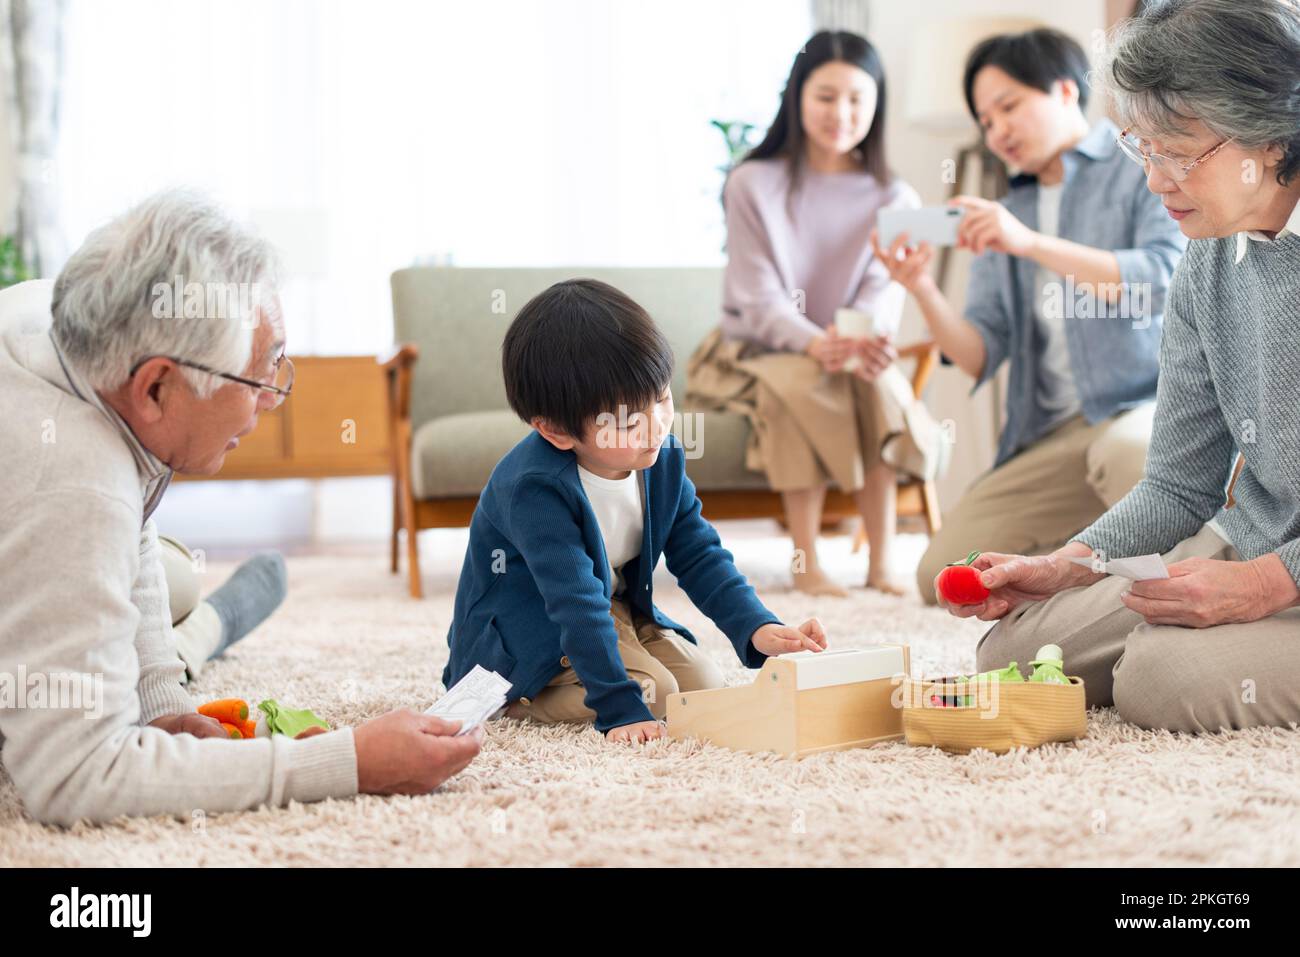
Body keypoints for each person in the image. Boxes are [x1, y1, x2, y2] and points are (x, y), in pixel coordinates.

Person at [0, 191, 481, 825]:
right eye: (259, 380)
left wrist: (161, 703)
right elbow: (78, 776)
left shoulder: (60, 321)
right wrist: (352, 762)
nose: (271, 400)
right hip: (48, 528)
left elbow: (132, 521)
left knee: (165, 578)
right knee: (136, 589)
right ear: (155, 387)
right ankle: (207, 630)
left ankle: (190, 636)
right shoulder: (71, 487)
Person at [941, 0, 1300, 734]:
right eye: (1144, 149)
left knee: (1160, 678)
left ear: (1268, 136)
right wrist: (1069, 564)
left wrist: (1267, 584)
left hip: (1278, 567)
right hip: (1250, 541)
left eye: (1178, 153)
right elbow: (1177, 483)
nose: (1154, 181)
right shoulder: (1208, 257)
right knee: (1014, 650)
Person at [870, 28, 1186, 603]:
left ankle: (1138, 569)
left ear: (1066, 91)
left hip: (1139, 407)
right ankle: (1089, 553)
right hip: (1049, 436)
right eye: (986, 122)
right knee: (942, 577)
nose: (998, 132)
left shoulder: (1137, 162)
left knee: (1127, 455)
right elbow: (977, 353)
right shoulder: (1007, 209)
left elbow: (1160, 278)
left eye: (1009, 107)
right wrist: (920, 287)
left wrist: (1029, 242)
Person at [443, 279, 828, 743]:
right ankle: (516, 699)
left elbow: (700, 554)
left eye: (663, 398)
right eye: (627, 421)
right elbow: (575, 604)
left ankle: (624, 676)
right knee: (651, 696)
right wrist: (619, 710)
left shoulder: (660, 456)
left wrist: (757, 625)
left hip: (614, 609)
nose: (656, 427)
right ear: (556, 431)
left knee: (705, 689)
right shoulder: (534, 488)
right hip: (530, 637)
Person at [687, 30, 932, 598]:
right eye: (826, 96)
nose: (840, 114)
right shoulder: (751, 182)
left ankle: (881, 563)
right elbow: (758, 295)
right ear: (796, 96)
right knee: (806, 385)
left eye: (856, 99)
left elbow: (881, 291)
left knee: (875, 386)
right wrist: (815, 344)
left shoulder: (900, 198)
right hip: (757, 349)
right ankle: (806, 561)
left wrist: (858, 343)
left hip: (844, 347)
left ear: (876, 106)